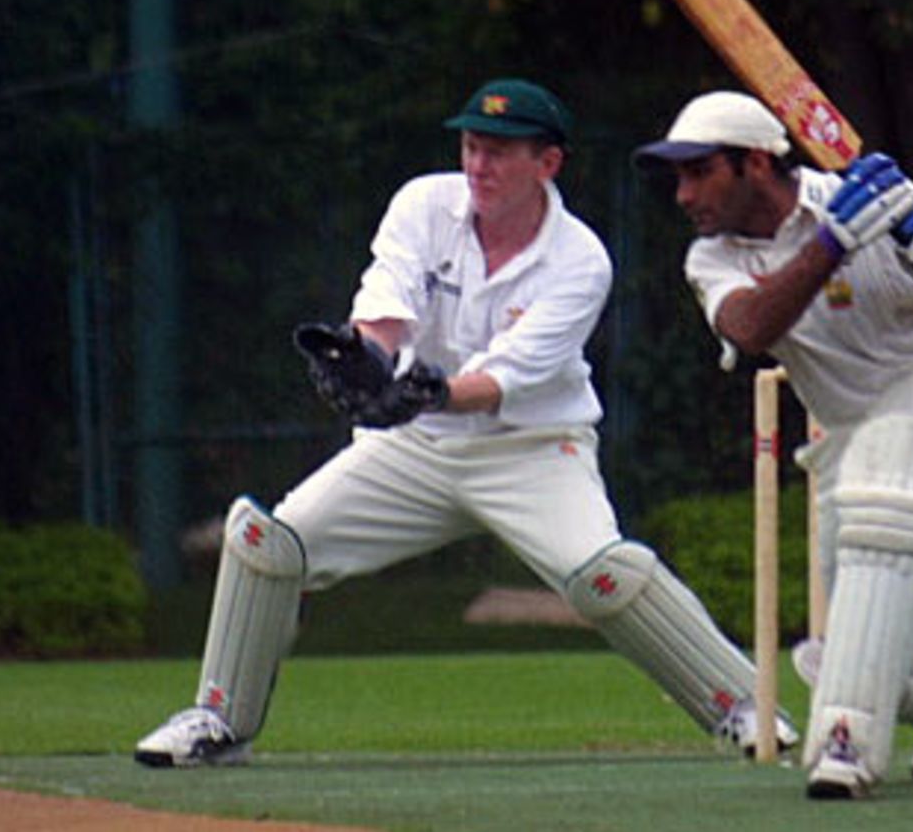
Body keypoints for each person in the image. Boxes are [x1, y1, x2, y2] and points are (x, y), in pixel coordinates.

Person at [134, 78, 796, 768]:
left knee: (608, 576)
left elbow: (506, 377)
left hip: (534, 450)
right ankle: (217, 720)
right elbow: (387, 304)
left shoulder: (581, 258)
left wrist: (424, 391)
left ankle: (747, 707)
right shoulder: (424, 203)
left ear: (548, 164)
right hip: (414, 447)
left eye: (501, 152)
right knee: (269, 545)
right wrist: (368, 361)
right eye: (472, 147)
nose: (479, 165)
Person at [633, 90, 913, 800]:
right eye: (680, 177)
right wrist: (834, 243)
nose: (684, 193)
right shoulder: (711, 259)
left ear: (755, 161)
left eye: (700, 172)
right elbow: (751, 328)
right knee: (838, 654)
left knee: (892, 498)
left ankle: (847, 749)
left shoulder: (871, 197)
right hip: (846, 452)